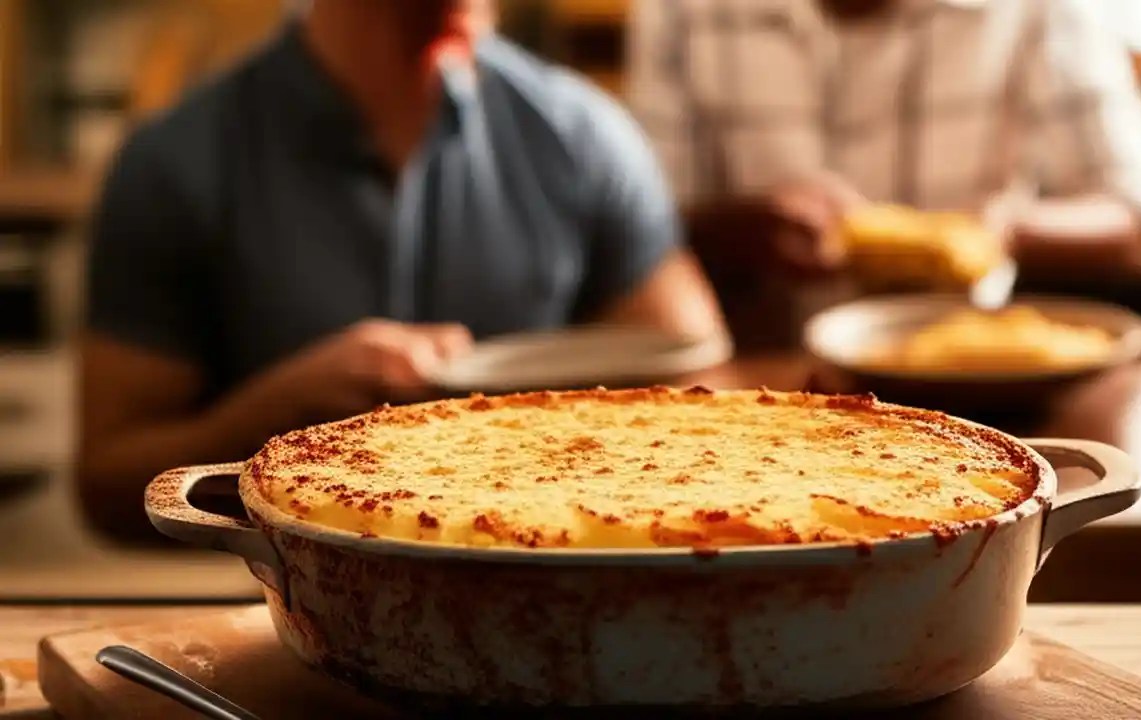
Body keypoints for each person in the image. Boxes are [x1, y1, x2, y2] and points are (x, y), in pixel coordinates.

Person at [78, 0, 726, 541]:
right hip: (286, 602)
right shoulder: (175, 161)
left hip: (541, 584)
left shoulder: (584, 135)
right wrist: (268, 415)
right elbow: (108, 486)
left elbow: (699, 387)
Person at [626, 0, 1141, 340]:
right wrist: (740, 229)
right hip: (754, 380)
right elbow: (636, 233)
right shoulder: (682, 10)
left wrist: (998, 232)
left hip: (967, 387)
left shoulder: (1034, 10)